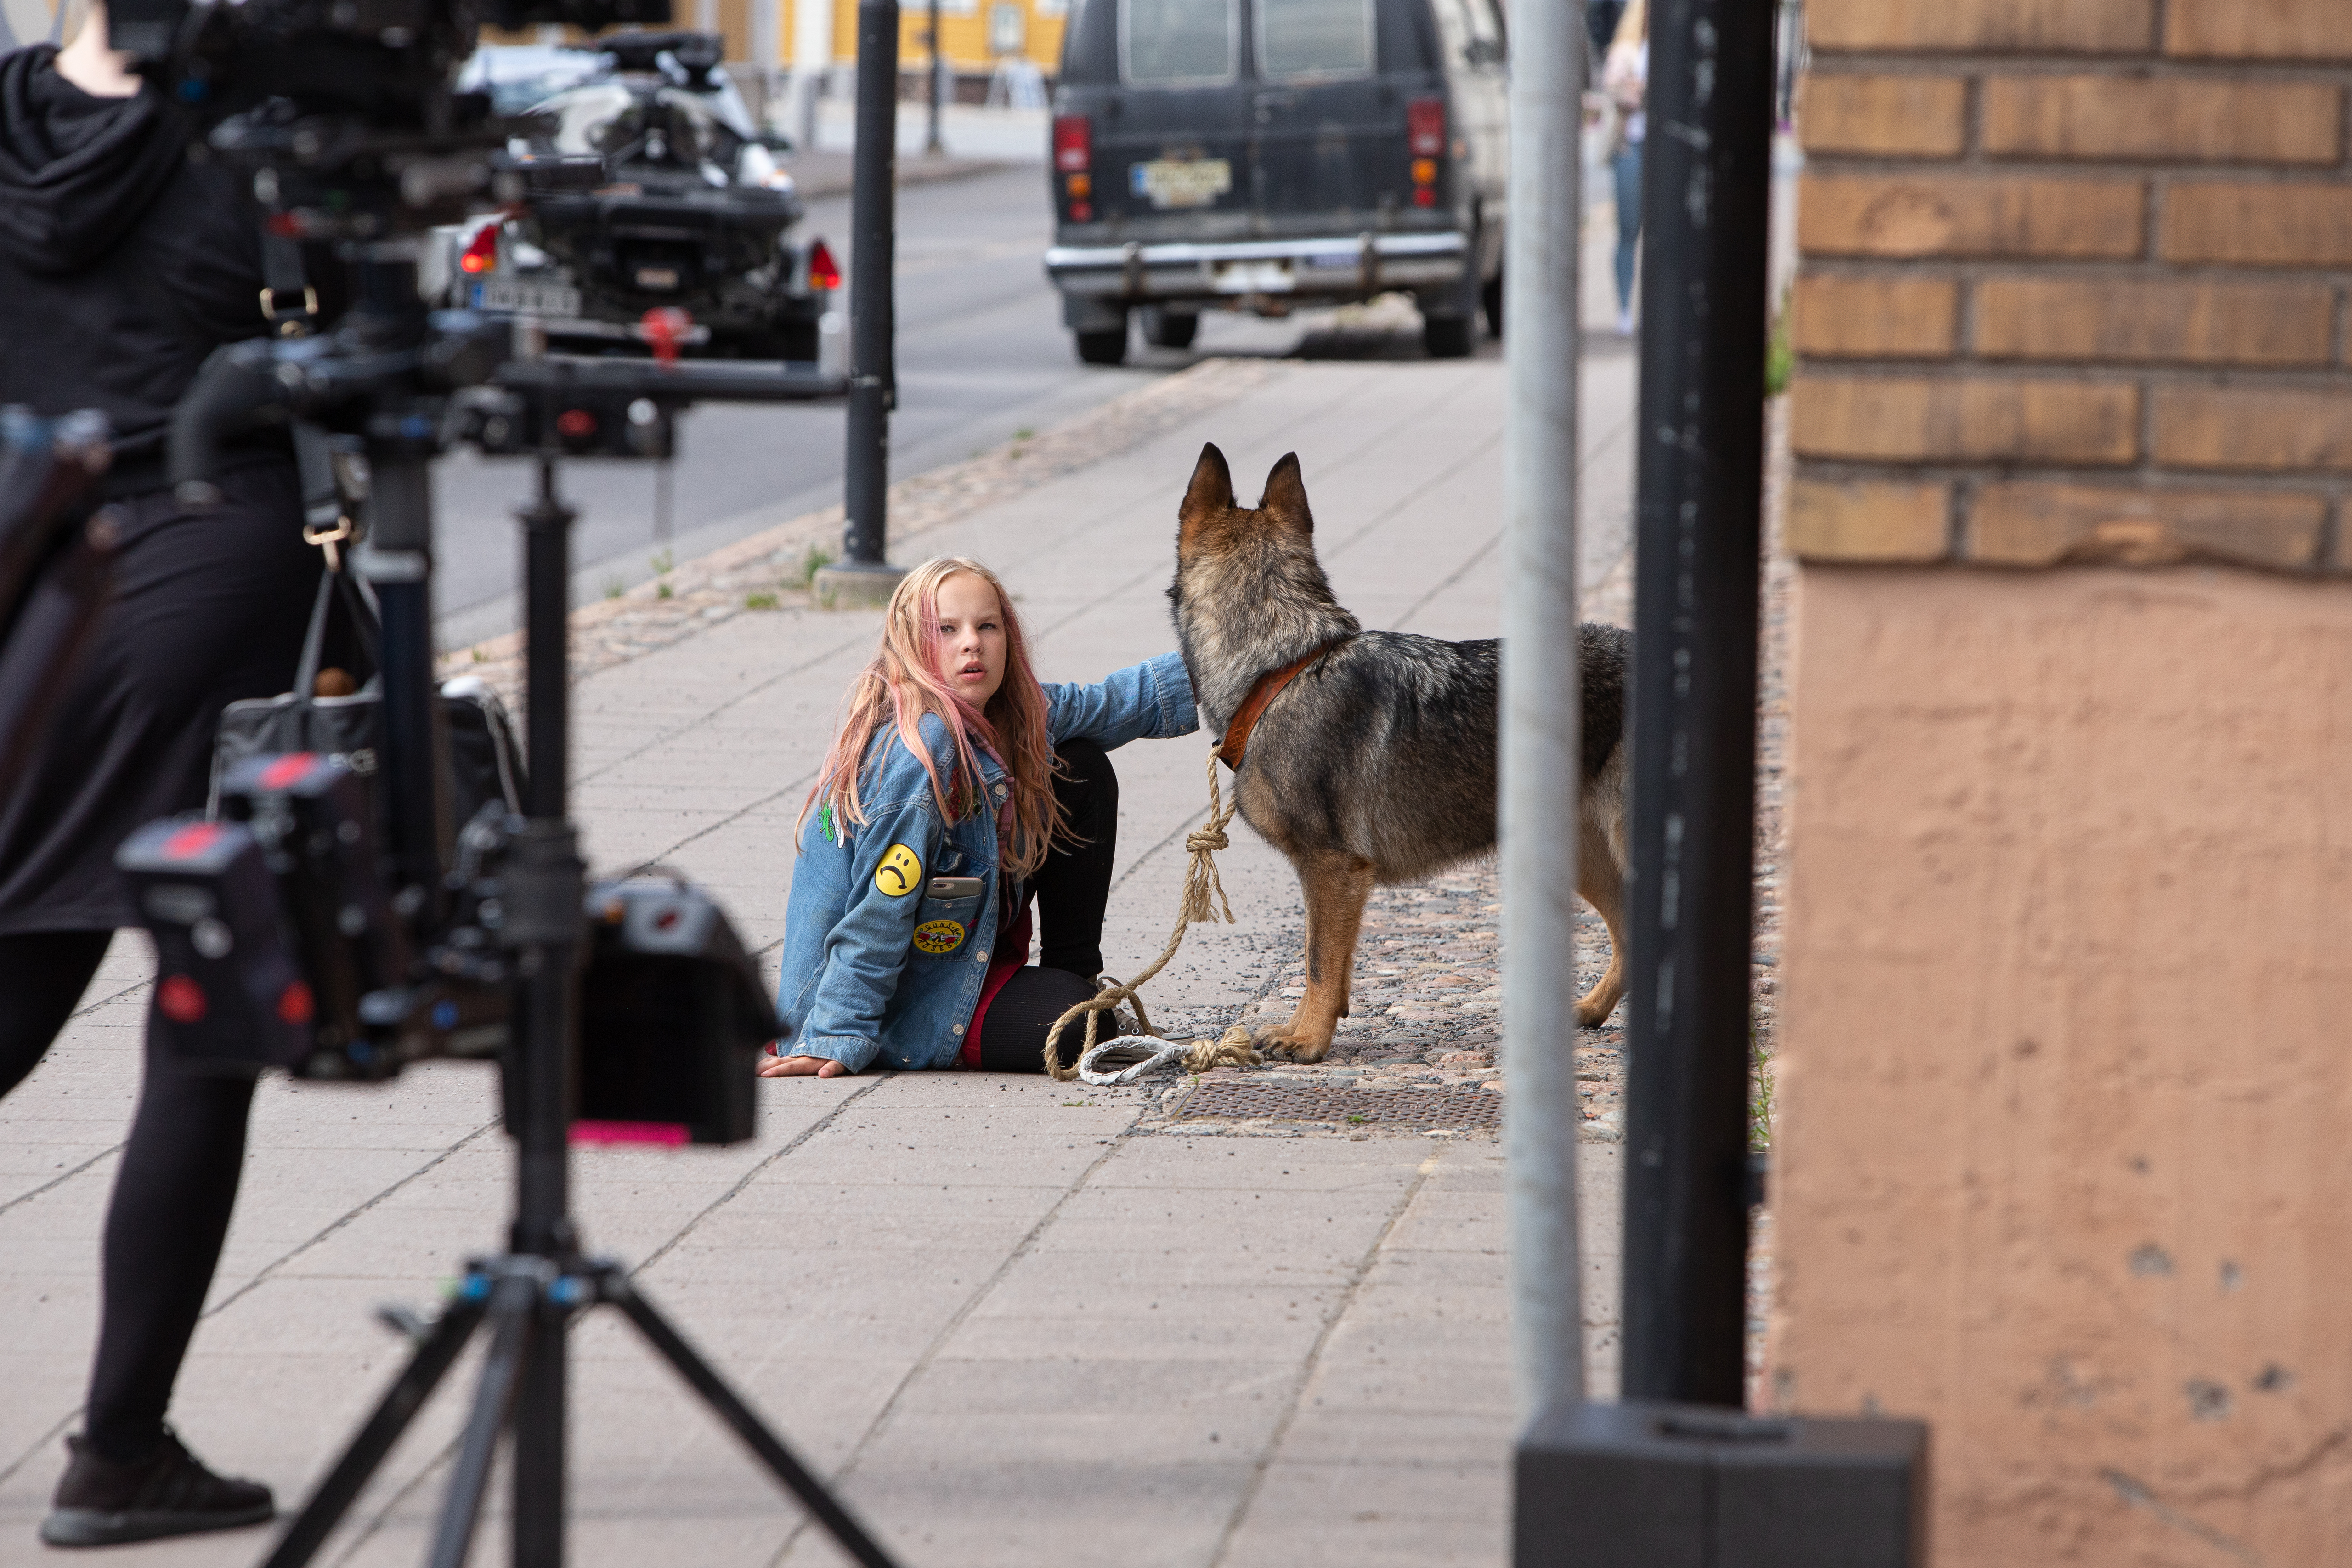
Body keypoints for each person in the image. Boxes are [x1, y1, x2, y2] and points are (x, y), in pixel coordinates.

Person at [0, 0, 317, 1545]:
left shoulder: (6, 121)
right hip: (212, 580)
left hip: (29, 585)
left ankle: (127, 1449)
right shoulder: (256, 132)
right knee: (205, 1017)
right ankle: (119, 1446)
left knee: (15, 979)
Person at [762, 556, 1198, 1078]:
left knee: (1081, 765)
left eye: (986, 626)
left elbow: (1112, 705)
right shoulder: (920, 753)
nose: (972, 642)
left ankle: (1072, 980)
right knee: (1086, 1032)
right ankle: (1057, 1001)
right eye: (946, 630)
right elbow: (878, 910)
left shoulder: (1011, 711)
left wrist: (1239, 662)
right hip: (899, 1001)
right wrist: (837, 1032)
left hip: (958, 948)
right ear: (910, 646)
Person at [1603, 0, 1648, 336]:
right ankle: (1623, 308)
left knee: (1665, 234)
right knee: (1628, 229)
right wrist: (1635, 91)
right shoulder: (1627, 49)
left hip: (1663, 147)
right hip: (1631, 145)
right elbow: (1614, 88)